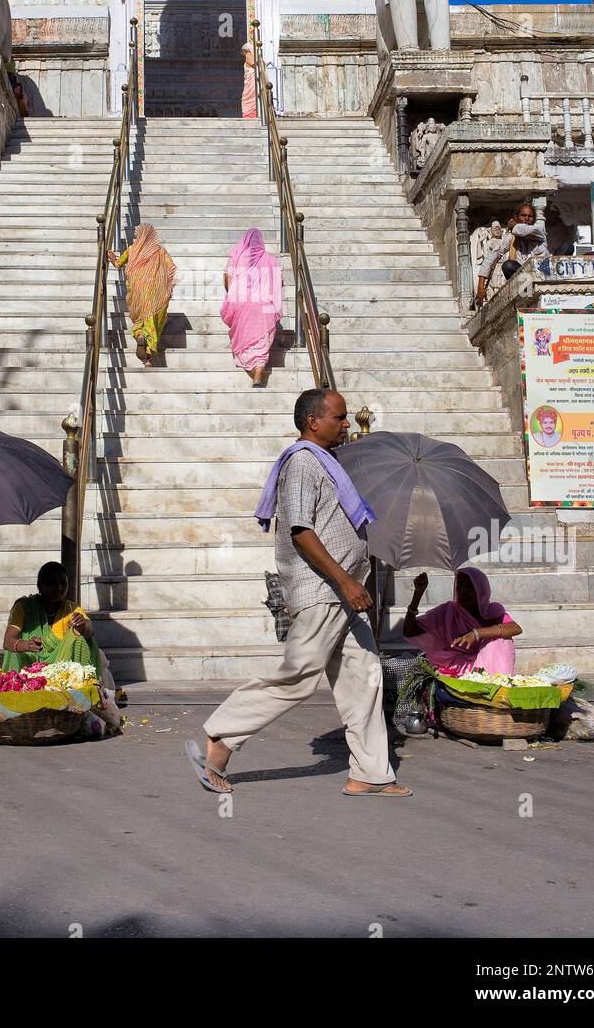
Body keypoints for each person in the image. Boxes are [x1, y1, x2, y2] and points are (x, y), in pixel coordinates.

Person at [186, 388, 412, 798]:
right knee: (299, 675)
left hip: (346, 592)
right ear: (313, 422)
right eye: (339, 417)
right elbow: (301, 531)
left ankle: (370, 773)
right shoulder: (304, 463)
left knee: (364, 677)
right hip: (323, 590)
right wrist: (344, 579)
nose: (346, 424)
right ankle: (221, 737)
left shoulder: (329, 464)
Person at [402, 565, 523, 676]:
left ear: (480, 589)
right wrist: (417, 594)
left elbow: (515, 628)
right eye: (460, 585)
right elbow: (409, 631)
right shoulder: (447, 610)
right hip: (458, 667)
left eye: (469, 586)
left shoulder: (492, 610)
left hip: (488, 666)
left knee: (503, 639)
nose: (463, 591)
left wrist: (476, 633)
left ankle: (500, 686)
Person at [108, 223, 176, 368]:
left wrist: (112, 256)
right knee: (153, 320)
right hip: (156, 291)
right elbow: (171, 267)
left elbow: (119, 264)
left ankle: (141, 339)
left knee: (140, 319)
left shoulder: (132, 250)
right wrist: (167, 287)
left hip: (137, 291)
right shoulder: (159, 250)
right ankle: (148, 355)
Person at [220, 228, 282, 388]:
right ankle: (259, 371)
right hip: (264, 304)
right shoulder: (271, 259)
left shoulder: (237, 258)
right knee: (261, 339)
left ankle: (252, 367)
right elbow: (279, 282)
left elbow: (227, 277)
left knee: (246, 337)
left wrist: (233, 296)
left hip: (241, 303)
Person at [475, 200, 547, 306]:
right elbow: (492, 257)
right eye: (523, 215)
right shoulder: (511, 237)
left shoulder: (538, 231)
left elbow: (523, 230)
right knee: (508, 266)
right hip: (525, 281)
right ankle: (525, 298)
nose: (527, 219)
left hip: (541, 275)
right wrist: (481, 287)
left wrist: (514, 225)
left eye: (530, 216)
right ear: (517, 217)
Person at [240, 42, 257, 119]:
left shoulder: (248, 55)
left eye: (243, 51)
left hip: (252, 83)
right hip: (250, 81)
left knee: (247, 100)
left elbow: (254, 64)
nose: (242, 53)